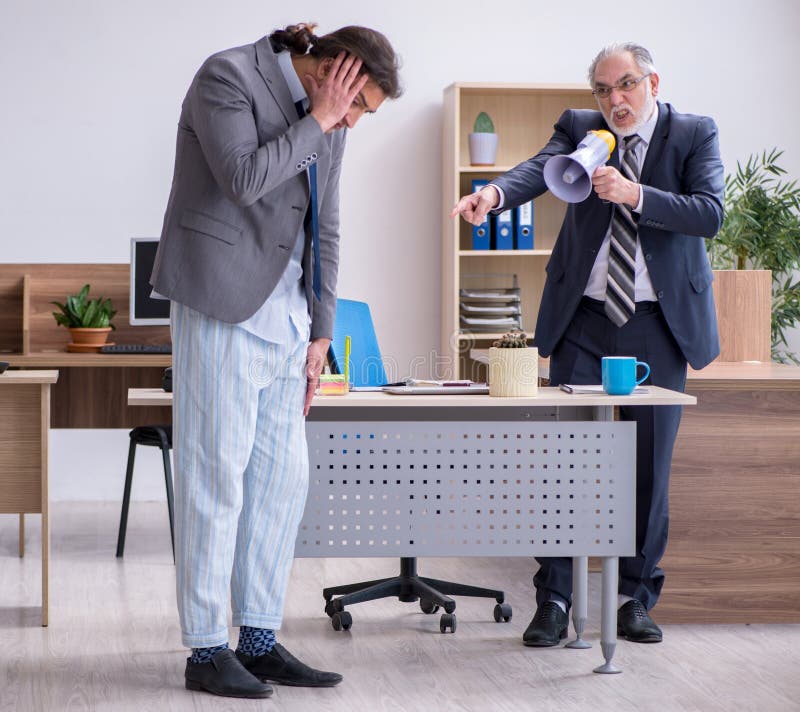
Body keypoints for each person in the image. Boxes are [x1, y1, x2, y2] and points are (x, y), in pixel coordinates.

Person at [151, 22, 401, 698]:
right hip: (220, 304)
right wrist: (320, 120)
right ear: (331, 71)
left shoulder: (332, 121)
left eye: (361, 113)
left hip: (289, 323)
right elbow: (243, 178)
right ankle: (206, 649)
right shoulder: (227, 76)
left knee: (281, 485)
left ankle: (257, 638)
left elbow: (329, 223)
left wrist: (322, 331)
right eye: (357, 103)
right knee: (214, 481)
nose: (354, 120)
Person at [451, 42, 723, 646]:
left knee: (648, 470)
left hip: (658, 323)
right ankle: (553, 600)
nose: (614, 101)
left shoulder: (694, 133)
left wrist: (636, 195)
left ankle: (633, 599)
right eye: (603, 90)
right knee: (565, 464)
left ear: (653, 80)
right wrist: (492, 195)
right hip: (585, 319)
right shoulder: (583, 128)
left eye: (625, 86)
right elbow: (535, 169)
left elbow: (709, 213)